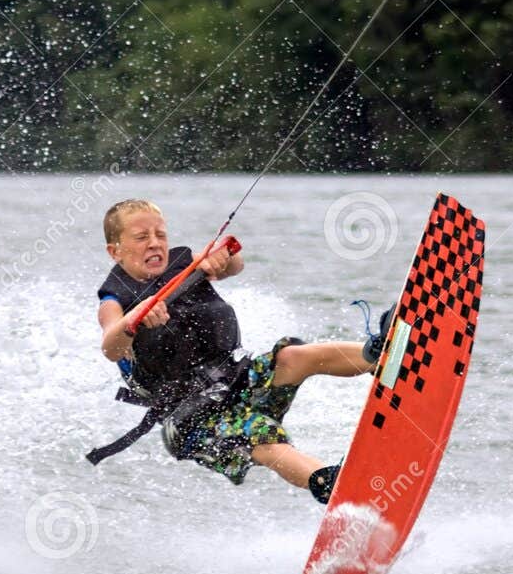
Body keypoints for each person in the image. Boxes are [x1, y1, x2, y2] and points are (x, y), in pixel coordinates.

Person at [94, 198, 389, 504]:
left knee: (290, 356)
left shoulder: (182, 262)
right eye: (142, 238)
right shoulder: (114, 299)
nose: (155, 244)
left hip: (240, 381)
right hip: (194, 420)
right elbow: (111, 347)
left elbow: (234, 265)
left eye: (161, 235)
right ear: (115, 251)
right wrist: (133, 320)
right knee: (259, 435)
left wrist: (221, 259)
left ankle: (377, 354)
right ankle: (333, 485)